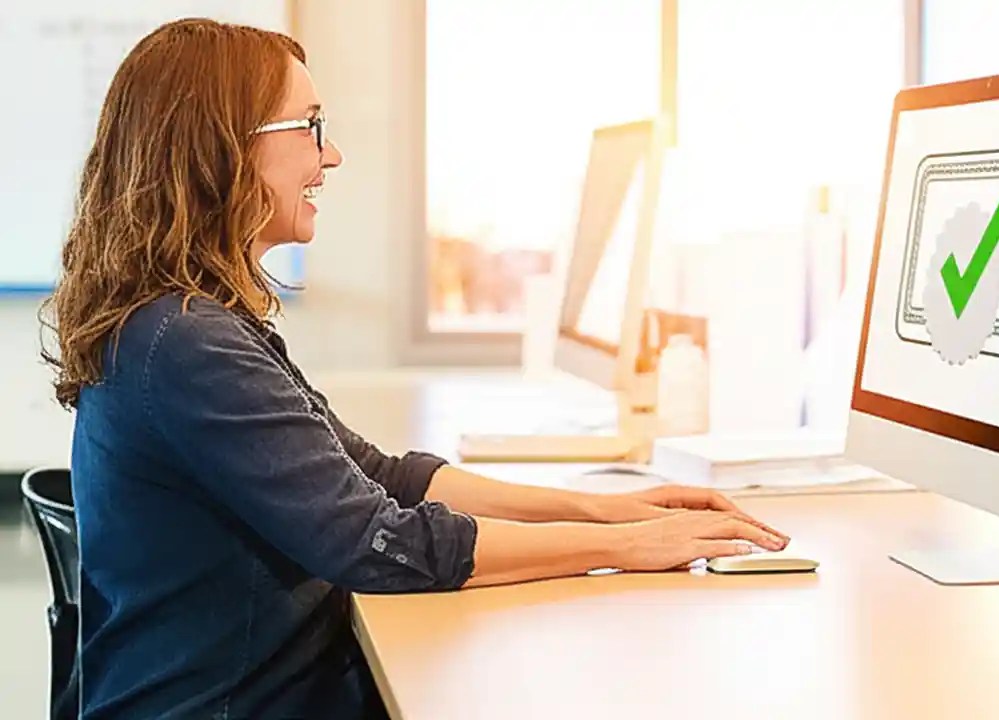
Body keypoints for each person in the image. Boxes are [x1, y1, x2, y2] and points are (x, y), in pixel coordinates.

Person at [38, 18, 789, 720]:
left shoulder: (187, 324)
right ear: (224, 147)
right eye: (310, 127)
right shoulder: (185, 344)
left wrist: (603, 511)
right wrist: (629, 551)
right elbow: (375, 543)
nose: (330, 155)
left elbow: (383, 476)